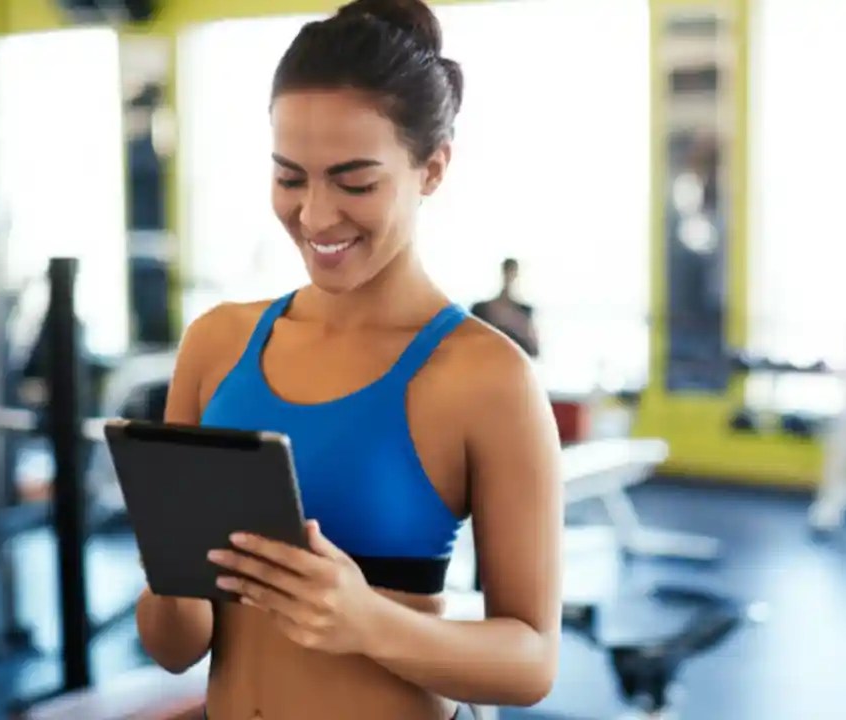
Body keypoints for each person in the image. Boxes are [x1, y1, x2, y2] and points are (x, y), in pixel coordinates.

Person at [133, 1, 564, 719]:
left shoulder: (486, 377)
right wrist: (174, 574)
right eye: (290, 178)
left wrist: (367, 622)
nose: (315, 216)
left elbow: (531, 662)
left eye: (355, 181)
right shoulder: (218, 343)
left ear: (432, 169)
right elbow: (176, 645)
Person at [470, 258, 540, 358]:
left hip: (511, 368)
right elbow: (470, 341)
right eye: (508, 271)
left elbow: (533, 350)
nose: (509, 276)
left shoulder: (524, 311)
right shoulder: (481, 309)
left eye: (512, 272)